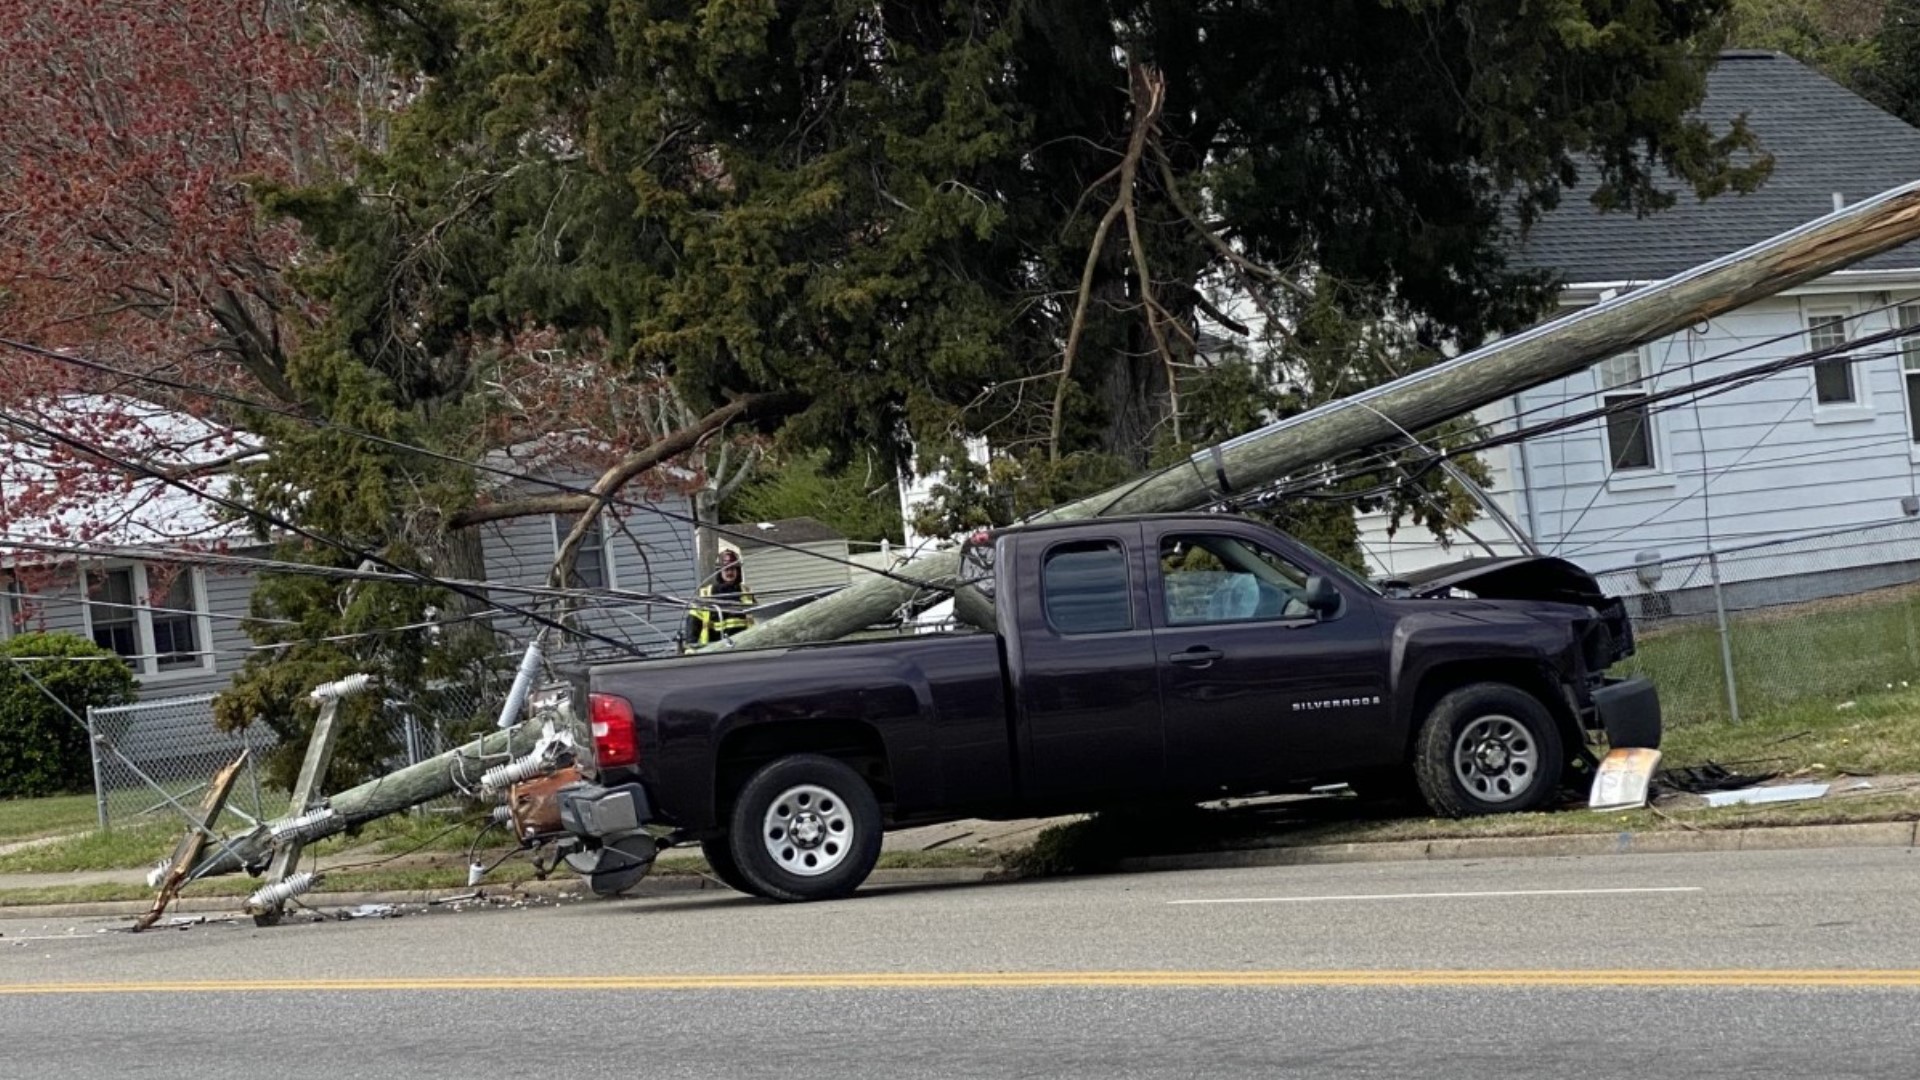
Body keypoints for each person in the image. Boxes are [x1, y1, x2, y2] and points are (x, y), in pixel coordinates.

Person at [683, 550, 756, 648]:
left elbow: (758, 619)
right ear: (719, 571)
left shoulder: (746, 593)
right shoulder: (706, 594)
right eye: (726, 569)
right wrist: (691, 647)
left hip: (744, 647)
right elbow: (693, 623)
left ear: (738, 571)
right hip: (715, 649)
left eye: (733, 569)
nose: (730, 572)